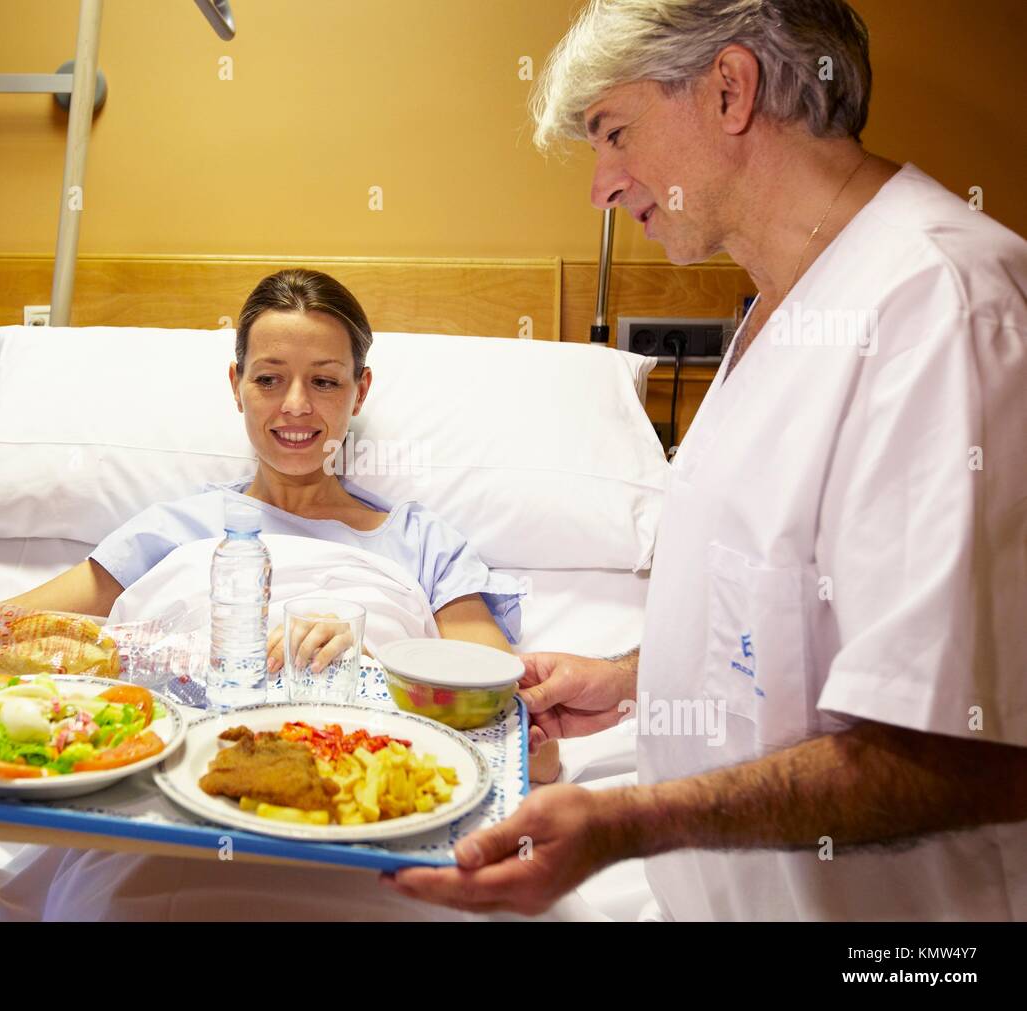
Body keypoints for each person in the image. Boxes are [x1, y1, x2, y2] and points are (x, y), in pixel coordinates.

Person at [388, 0, 1027, 918]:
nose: (601, 186)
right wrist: (634, 675)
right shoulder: (782, 307)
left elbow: (956, 754)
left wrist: (630, 823)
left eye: (614, 132)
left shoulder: (939, 308)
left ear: (730, 89)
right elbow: (789, 613)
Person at [0, 267, 560, 782]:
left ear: (360, 390)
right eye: (269, 378)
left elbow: (493, 684)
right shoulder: (177, 527)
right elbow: (14, 627)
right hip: (180, 767)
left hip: (363, 774)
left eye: (324, 381)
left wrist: (371, 654)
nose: (296, 407)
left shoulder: (420, 541)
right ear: (236, 384)